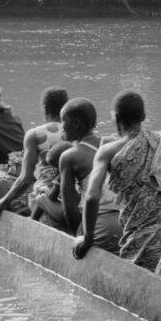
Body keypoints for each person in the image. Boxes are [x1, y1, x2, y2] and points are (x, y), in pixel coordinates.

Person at [73, 90, 161, 270]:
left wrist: (87, 239)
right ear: (143, 116)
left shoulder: (108, 151)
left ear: (115, 118)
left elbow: (91, 197)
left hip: (143, 250)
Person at [0, 87, 69, 226]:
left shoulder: (35, 134)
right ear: (66, 107)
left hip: (46, 192)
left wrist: (2, 202)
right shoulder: (73, 131)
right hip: (71, 193)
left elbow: (26, 178)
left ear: (44, 108)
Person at [52, 98, 122, 253]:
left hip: (100, 228)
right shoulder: (112, 142)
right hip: (127, 224)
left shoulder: (69, 156)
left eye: (63, 121)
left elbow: (69, 210)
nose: (61, 127)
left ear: (76, 124)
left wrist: (79, 236)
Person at [30, 141, 73, 224]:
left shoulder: (61, 176)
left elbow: (52, 196)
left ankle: (32, 221)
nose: (55, 170)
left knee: (41, 196)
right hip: (79, 211)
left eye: (56, 166)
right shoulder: (79, 171)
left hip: (66, 215)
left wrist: (44, 189)